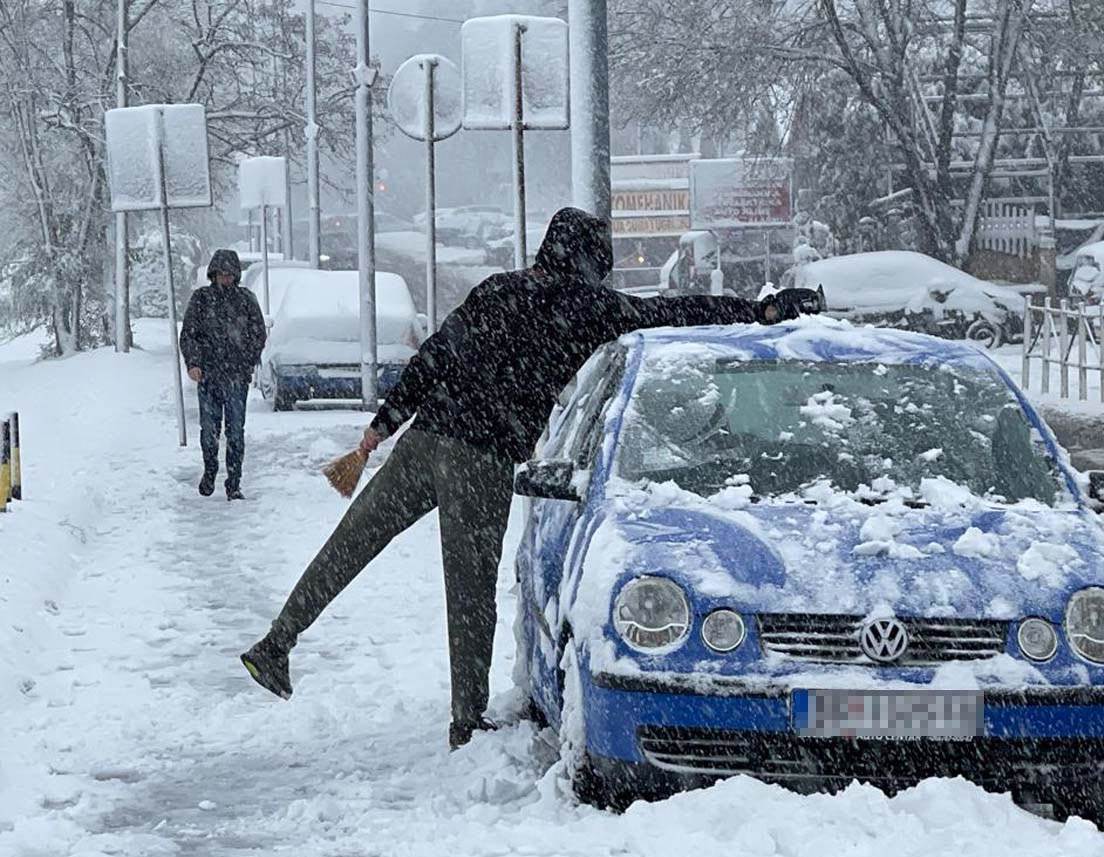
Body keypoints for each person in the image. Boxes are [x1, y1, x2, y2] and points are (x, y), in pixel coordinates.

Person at [240, 207, 777, 749]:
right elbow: (674, 312)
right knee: (470, 593)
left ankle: (276, 643)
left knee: (350, 543)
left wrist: (384, 424)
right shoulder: (590, 307)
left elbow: (435, 356)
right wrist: (759, 311)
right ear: (592, 259)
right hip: (480, 458)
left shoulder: (497, 289)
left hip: (425, 439)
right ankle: (465, 718)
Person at [180, 249, 267, 501]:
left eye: (230, 275)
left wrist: (246, 361)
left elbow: (257, 334)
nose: (225, 279)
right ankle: (210, 469)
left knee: (235, 431)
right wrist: (194, 363)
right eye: (221, 274)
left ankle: (234, 482)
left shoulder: (245, 300)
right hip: (208, 376)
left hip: (236, 378)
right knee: (209, 430)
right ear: (214, 274)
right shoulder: (201, 300)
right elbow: (189, 335)